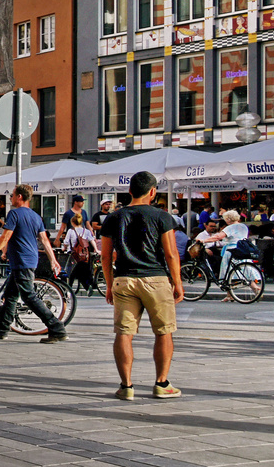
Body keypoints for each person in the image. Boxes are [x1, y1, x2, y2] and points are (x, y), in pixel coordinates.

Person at [99, 171, 183, 400]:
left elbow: (105, 256)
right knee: (164, 332)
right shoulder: (162, 216)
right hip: (155, 279)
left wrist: (109, 284)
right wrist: (177, 283)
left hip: (124, 279)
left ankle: (126, 386)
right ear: (153, 192)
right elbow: (171, 254)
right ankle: (161, 383)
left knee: (124, 333)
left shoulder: (113, 217)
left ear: (129, 192)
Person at [0, 184, 66, 342]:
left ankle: (56, 328)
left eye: (12, 195)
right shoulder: (36, 216)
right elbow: (44, 240)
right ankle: (2, 328)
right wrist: (53, 260)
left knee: (29, 296)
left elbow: (5, 237)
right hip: (29, 259)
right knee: (11, 295)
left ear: (19, 196)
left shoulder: (14, 214)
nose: (10, 198)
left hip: (22, 259)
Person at [196, 209, 249, 299]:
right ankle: (253, 289)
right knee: (244, 272)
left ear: (228, 219)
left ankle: (230, 295)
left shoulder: (230, 227)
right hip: (242, 249)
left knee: (227, 273)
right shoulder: (243, 226)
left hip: (231, 250)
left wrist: (204, 240)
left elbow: (218, 237)